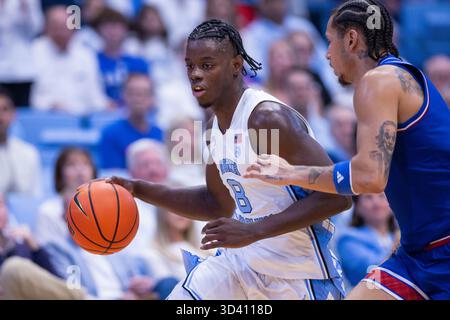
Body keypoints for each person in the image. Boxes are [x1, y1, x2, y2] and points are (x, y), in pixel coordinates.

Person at [108, 19, 351, 300]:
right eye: (190, 66)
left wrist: (254, 230)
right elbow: (216, 202)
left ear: (236, 66)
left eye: (207, 65)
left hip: (298, 274)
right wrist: (139, 190)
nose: (195, 74)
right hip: (241, 264)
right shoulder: (215, 128)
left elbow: (338, 196)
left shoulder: (265, 119)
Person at [244, 0, 450, 300]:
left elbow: (369, 177)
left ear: (351, 39)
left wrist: (290, 173)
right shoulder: (406, 77)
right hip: (419, 251)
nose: (326, 54)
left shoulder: (378, 82)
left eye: (330, 41)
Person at [31, 5, 107, 115]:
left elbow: (95, 94)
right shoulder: (34, 52)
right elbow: (32, 96)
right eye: (57, 26)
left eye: (66, 26)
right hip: (46, 117)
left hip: (82, 119)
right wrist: (49, 105)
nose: (62, 31)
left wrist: (105, 105)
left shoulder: (85, 54)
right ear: (46, 28)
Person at [99, 73, 163, 169]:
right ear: (124, 96)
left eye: (144, 93)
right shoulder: (110, 134)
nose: (138, 99)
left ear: (152, 98)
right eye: (133, 93)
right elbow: (113, 174)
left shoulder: (161, 134)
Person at [336, 193, 398, 288]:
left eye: (381, 196)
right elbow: (371, 271)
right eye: (368, 197)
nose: (376, 203)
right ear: (357, 207)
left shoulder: (398, 236)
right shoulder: (347, 239)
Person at [94, 7, 149, 107]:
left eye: (117, 27)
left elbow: (148, 93)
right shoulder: (91, 61)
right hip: (101, 111)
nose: (113, 32)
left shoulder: (139, 63)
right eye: (108, 27)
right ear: (99, 30)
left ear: (125, 30)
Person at [0, 0, 44, 107]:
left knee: (23, 114)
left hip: (23, 70)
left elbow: (37, 29)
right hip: (1, 68)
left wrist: (25, 7)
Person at [0, 89, 42, 197]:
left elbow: (36, 196)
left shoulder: (29, 153)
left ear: (14, 114)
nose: (0, 117)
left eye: (4, 109)